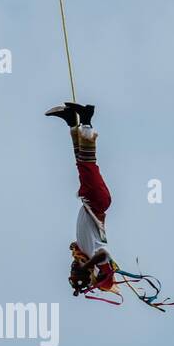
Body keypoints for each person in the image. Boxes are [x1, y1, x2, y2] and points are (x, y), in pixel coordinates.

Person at [44, 101, 117, 297]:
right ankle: (86, 119)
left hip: (90, 200)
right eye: (76, 270)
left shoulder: (83, 249)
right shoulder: (96, 256)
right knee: (87, 163)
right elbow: (105, 256)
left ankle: (72, 122)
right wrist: (91, 268)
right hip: (97, 201)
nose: (74, 266)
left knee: (81, 163)